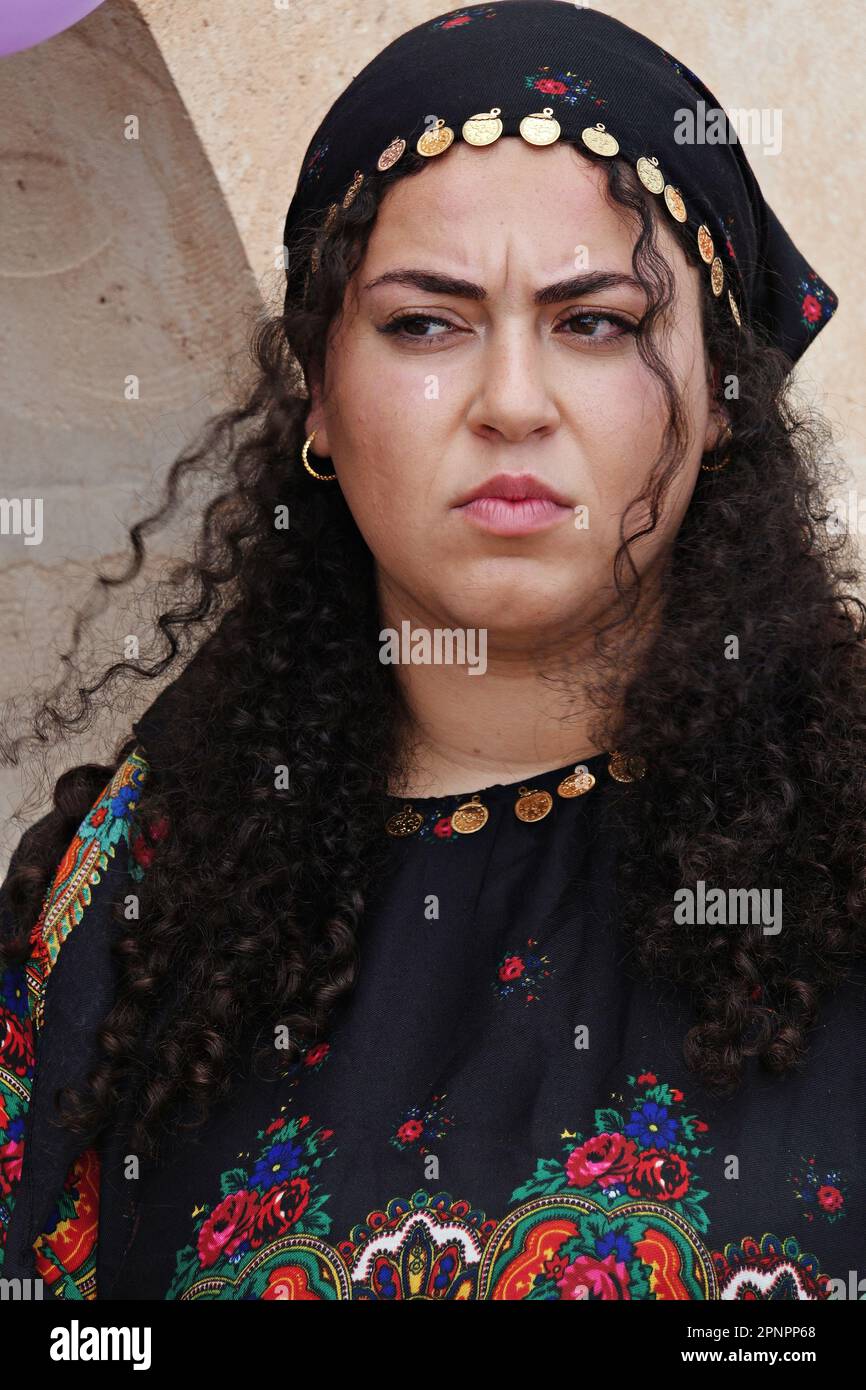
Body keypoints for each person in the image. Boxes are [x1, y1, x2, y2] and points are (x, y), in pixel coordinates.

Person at [0, 1, 861, 1303]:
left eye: (595, 322)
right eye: (424, 322)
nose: (510, 399)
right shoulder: (142, 890)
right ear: (321, 403)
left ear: (723, 397)